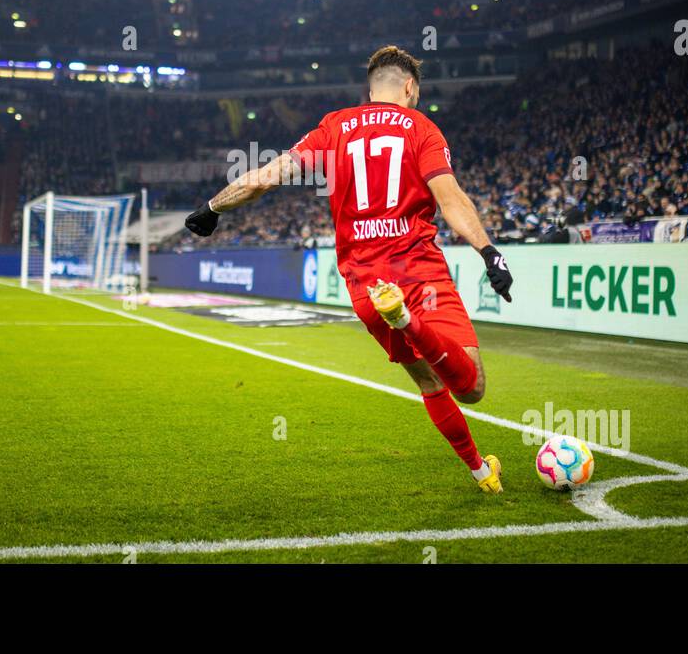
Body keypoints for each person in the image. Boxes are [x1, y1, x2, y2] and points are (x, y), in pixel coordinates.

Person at [184, 45, 514, 494]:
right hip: (418, 272)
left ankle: (480, 470)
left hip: (366, 287)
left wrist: (211, 207)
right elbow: (448, 196)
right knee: (470, 384)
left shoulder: (334, 127)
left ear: (371, 87)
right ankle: (411, 320)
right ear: (410, 87)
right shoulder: (422, 128)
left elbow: (267, 176)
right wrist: (488, 250)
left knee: (426, 379)